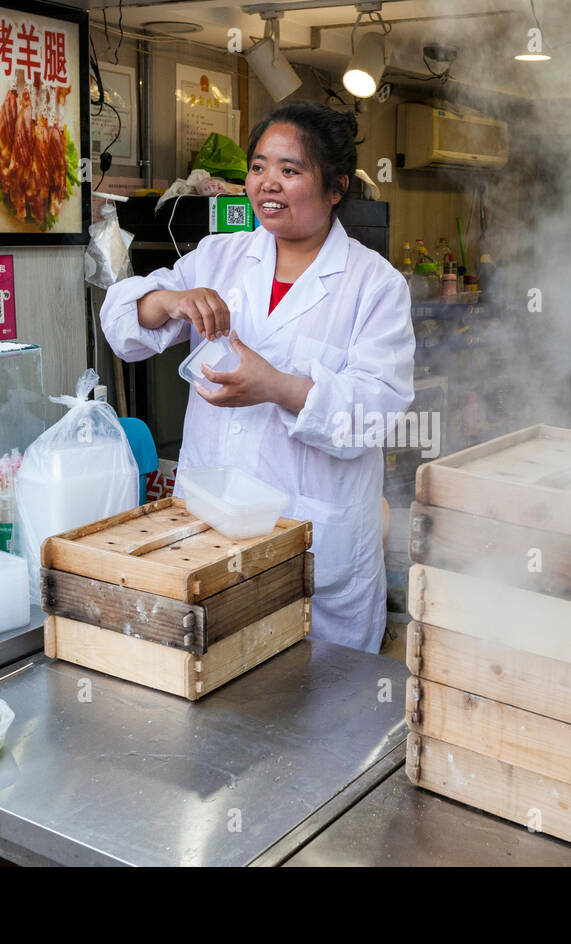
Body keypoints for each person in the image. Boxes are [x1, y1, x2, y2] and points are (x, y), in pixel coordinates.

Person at [100, 103, 415, 653]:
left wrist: (277, 387)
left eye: (291, 171)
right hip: (212, 531)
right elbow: (123, 326)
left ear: (336, 187)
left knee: (322, 716)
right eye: (258, 167)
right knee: (214, 686)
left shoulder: (374, 284)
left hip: (314, 542)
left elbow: (375, 412)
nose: (268, 183)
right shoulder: (220, 255)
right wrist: (169, 299)